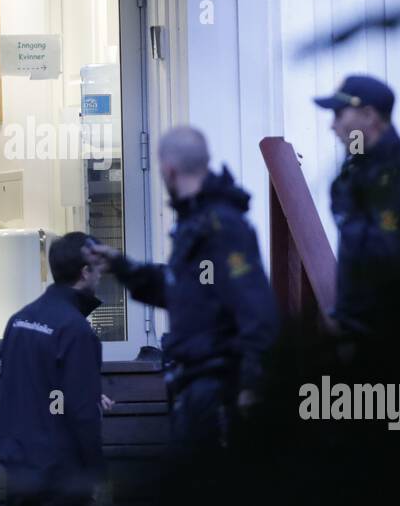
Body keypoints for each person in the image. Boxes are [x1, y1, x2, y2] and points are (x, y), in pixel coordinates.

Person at [86, 127, 278, 454]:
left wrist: (251, 385)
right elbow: (182, 292)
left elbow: (256, 310)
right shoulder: (195, 224)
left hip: (218, 388)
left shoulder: (221, 226)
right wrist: (123, 267)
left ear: (168, 170)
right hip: (195, 384)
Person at [0, 231, 111, 506]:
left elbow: (25, 384)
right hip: (61, 481)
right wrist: (98, 474)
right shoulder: (75, 330)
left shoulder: (20, 320)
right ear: (85, 272)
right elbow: (80, 413)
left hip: (20, 470)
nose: (102, 274)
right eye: (98, 267)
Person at [313, 75, 400, 353]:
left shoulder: (399, 178)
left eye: (338, 114)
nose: (332, 126)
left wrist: (351, 324)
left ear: (368, 116)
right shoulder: (359, 174)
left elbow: (392, 263)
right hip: (367, 335)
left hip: (395, 344)